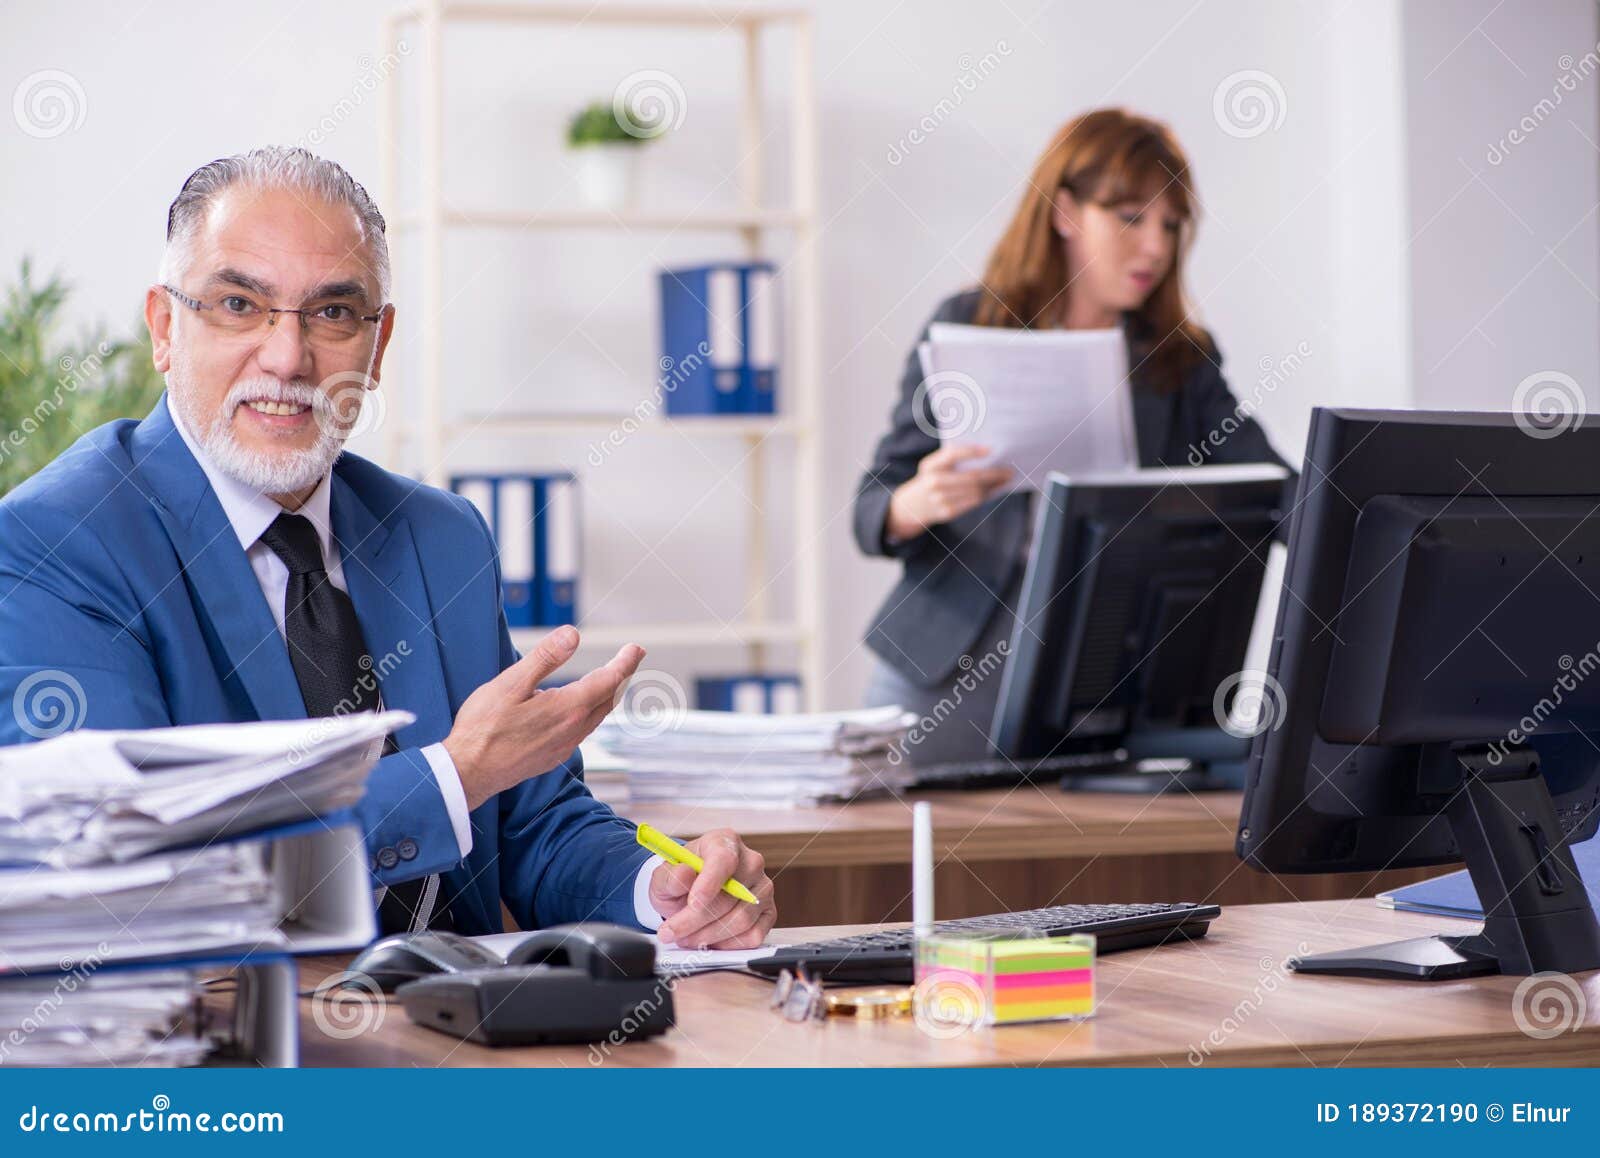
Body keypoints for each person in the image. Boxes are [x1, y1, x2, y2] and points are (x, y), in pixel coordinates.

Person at [0, 147, 773, 950]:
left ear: (379, 345)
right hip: (240, 1048)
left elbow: (536, 826)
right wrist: (453, 774)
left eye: (333, 314)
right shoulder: (60, 541)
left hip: (464, 1039)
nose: (288, 357)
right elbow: (130, 869)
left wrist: (666, 890)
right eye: (239, 304)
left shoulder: (441, 537)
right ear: (166, 328)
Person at [854, 108, 1289, 765]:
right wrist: (914, 503)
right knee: (900, 858)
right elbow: (872, 504)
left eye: (1171, 225)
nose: (1156, 248)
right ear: (1064, 212)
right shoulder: (970, 323)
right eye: (1131, 217)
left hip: (1101, 669)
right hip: (951, 661)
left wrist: (1380, 519)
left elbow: (1276, 492)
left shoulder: (1180, 360)